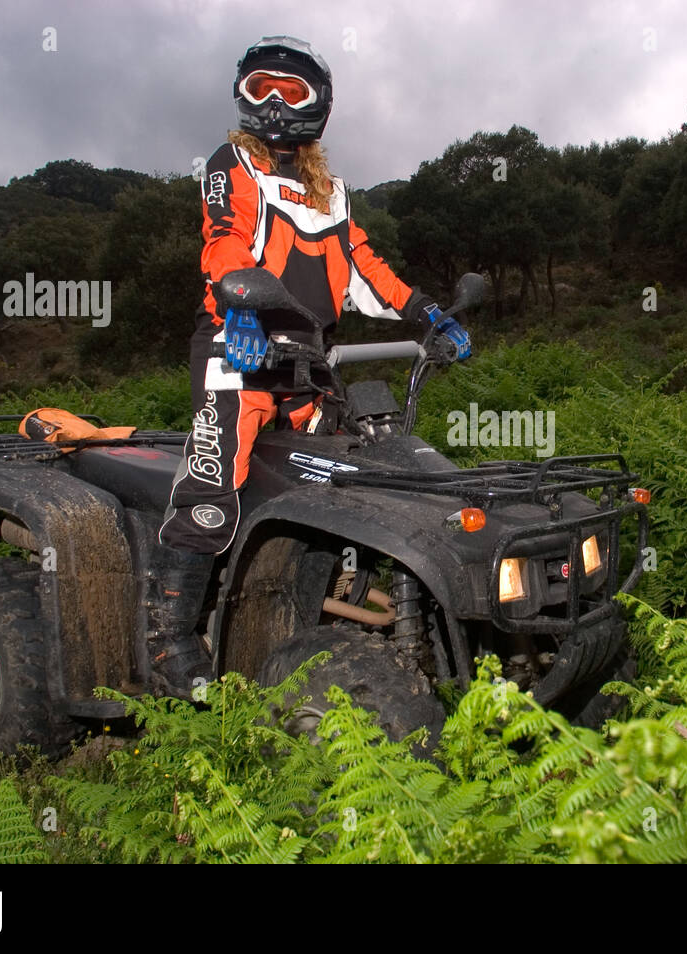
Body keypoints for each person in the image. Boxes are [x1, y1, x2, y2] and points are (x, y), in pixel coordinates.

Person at [145, 35, 472, 699]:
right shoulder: (231, 162)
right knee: (215, 476)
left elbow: (365, 270)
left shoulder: (331, 193)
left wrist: (430, 311)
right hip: (235, 347)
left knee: (349, 475)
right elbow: (224, 241)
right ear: (240, 94)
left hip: (308, 360)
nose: (272, 102)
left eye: (290, 91)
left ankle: (335, 610)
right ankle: (169, 642)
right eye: (260, 87)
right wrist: (238, 304)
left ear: (318, 105)